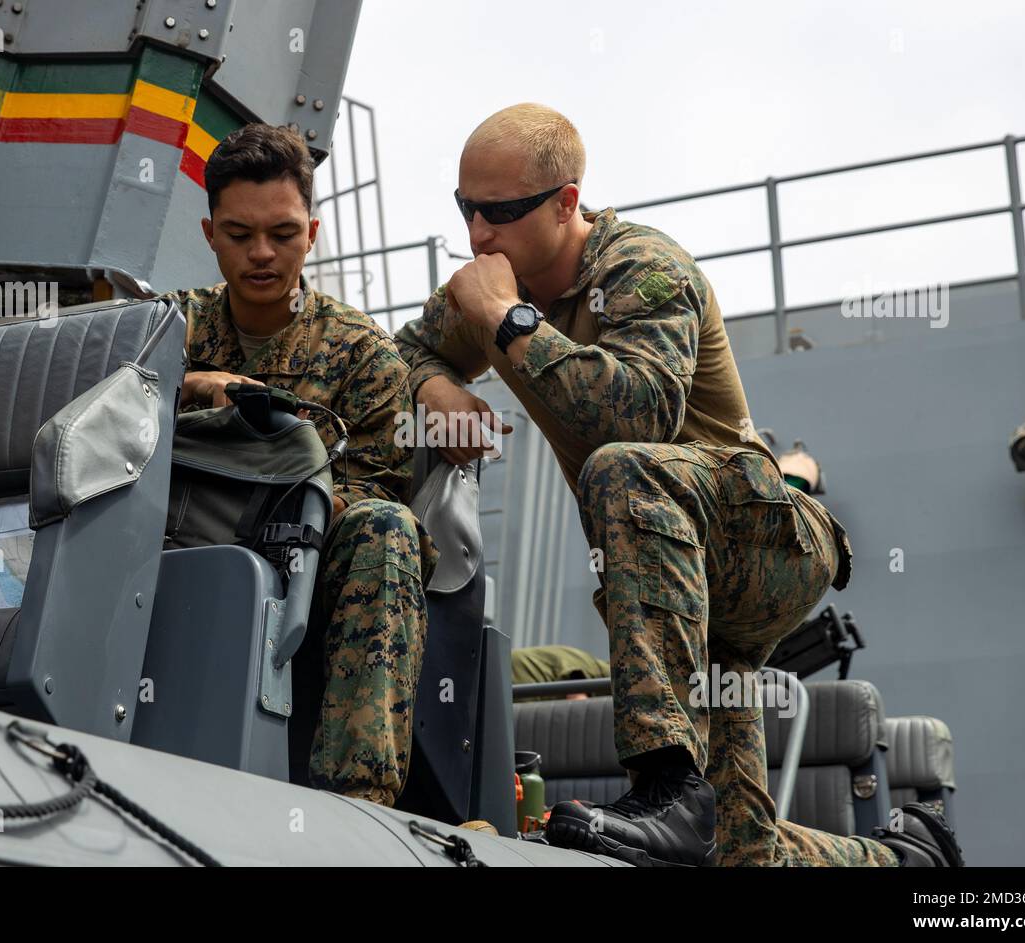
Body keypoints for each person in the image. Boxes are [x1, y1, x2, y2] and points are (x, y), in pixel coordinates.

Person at [395, 103, 963, 866]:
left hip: (763, 543)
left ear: (567, 203)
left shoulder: (644, 268)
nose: (476, 236)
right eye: (465, 208)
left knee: (622, 465)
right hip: (674, 584)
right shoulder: (490, 282)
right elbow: (391, 358)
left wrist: (501, 314)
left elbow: (638, 417)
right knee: (738, 849)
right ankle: (910, 859)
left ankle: (667, 783)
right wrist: (433, 384)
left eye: (499, 212)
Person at [164, 124, 437, 809]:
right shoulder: (166, 332)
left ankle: (359, 798)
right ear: (208, 233)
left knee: (385, 528)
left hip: (303, 555)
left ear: (311, 233)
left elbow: (373, 482)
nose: (261, 254)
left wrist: (278, 497)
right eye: (239, 234)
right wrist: (195, 385)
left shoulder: (361, 353)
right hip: (178, 539)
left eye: (283, 234)